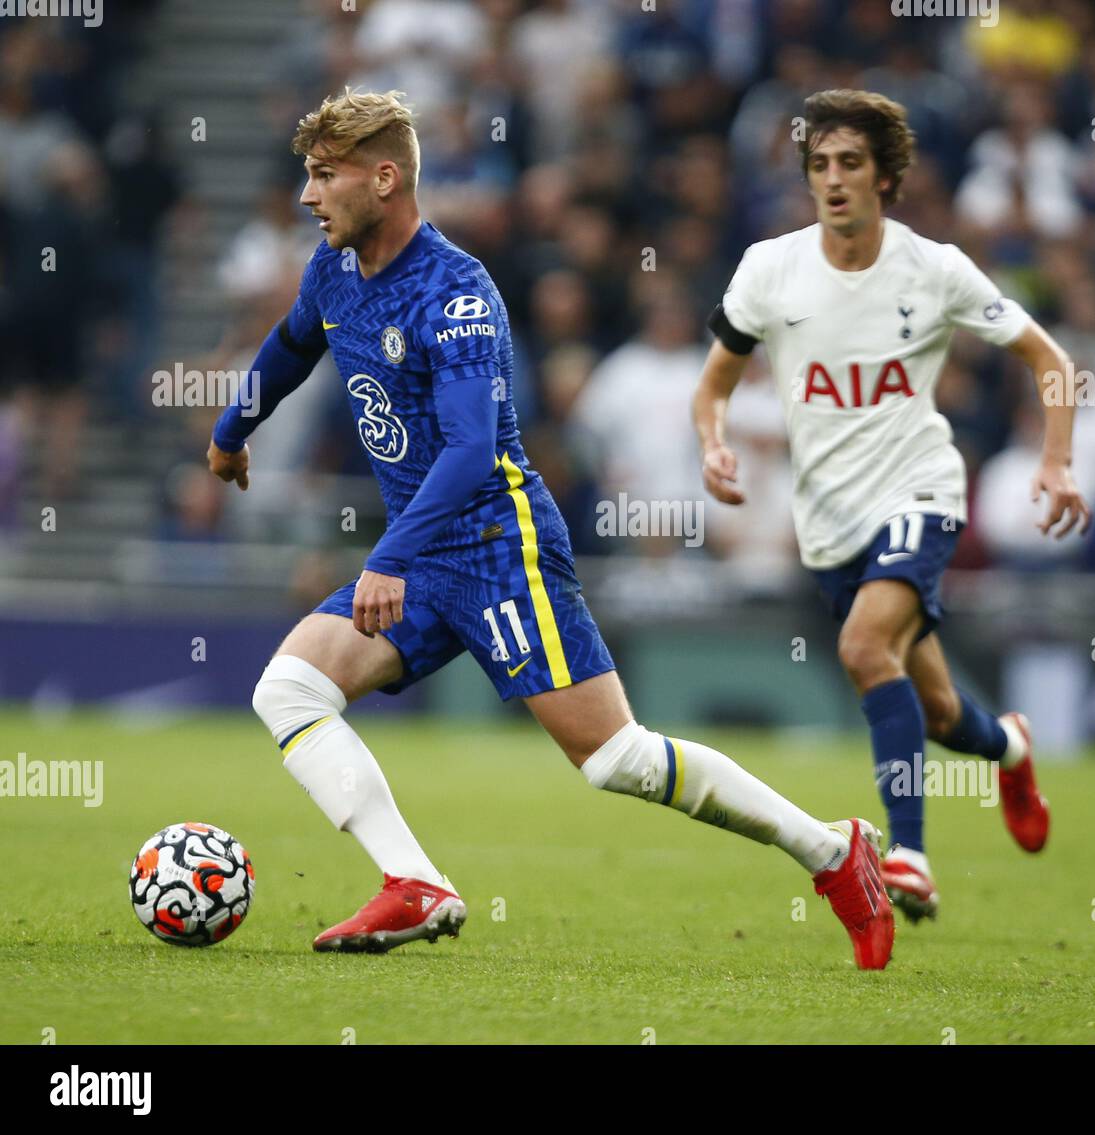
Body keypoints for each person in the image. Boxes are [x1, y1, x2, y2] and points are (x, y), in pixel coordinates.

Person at [206, 89, 895, 969]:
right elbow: (293, 342)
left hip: (497, 547)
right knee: (289, 690)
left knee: (617, 760)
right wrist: (232, 431)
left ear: (384, 178)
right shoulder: (334, 270)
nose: (308, 196)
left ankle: (836, 854)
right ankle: (413, 882)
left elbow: (467, 452)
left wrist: (384, 559)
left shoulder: (455, 293)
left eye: (324, 175)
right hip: (422, 556)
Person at [692, 89, 1092, 922]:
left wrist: (1056, 462)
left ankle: (907, 854)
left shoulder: (933, 268)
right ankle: (1011, 747)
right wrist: (714, 443)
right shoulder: (770, 269)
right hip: (829, 523)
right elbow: (714, 386)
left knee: (864, 646)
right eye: (819, 166)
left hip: (921, 489)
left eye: (850, 164)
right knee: (940, 711)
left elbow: (1049, 358)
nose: (832, 180)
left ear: (886, 177)